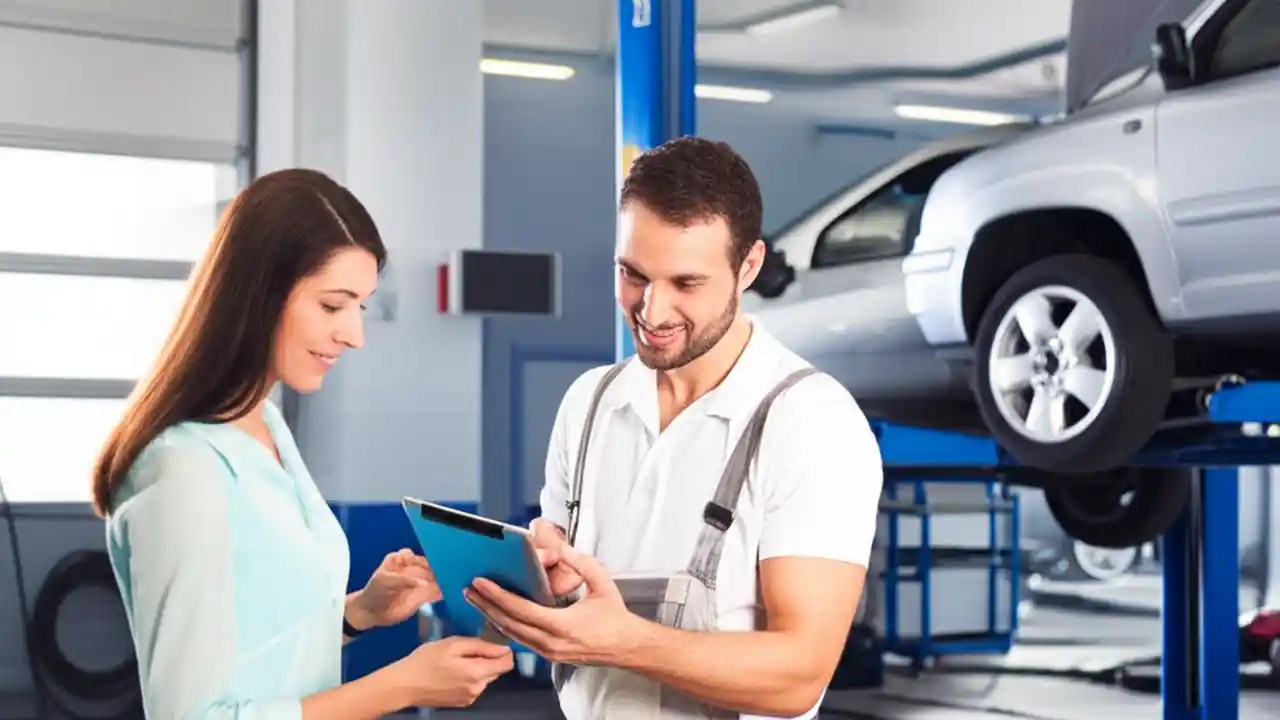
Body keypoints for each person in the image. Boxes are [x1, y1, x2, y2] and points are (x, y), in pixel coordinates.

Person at [463, 137, 884, 719]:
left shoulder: (810, 424)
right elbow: (570, 604)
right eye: (633, 275)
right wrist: (547, 583)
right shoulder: (590, 403)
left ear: (749, 268)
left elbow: (798, 677)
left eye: (686, 284)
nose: (652, 312)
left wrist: (623, 641)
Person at [91, 168, 513, 719]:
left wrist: (359, 613)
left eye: (359, 308)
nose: (354, 335)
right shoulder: (183, 469)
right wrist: (402, 686)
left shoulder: (268, 428)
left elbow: (255, 653)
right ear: (259, 294)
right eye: (332, 306)